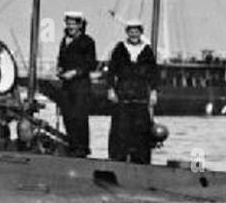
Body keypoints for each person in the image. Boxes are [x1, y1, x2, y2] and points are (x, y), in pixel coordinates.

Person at [106, 18, 159, 163]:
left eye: (136, 31)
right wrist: (111, 89)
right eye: (131, 31)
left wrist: (154, 91)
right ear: (127, 32)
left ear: (140, 32)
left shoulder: (147, 50)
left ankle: (140, 159)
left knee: (141, 129)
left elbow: (153, 73)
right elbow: (111, 71)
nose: (133, 34)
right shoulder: (120, 48)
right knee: (121, 128)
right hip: (123, 94)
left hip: (141, 95)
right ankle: (118, 157)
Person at [56, 10, 97, 157]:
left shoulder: (88, 42)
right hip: (67, 85)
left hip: (81, 85)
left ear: (80, 25)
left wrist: (75, 72)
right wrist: (60, 69)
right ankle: (73, 146)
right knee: (68, 115)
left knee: (79, 117)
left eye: (73, 23)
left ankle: (82, 148)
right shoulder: (64, 41)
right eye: (68, 23)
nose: (70, 26)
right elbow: (61, 59)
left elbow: (91, 64)